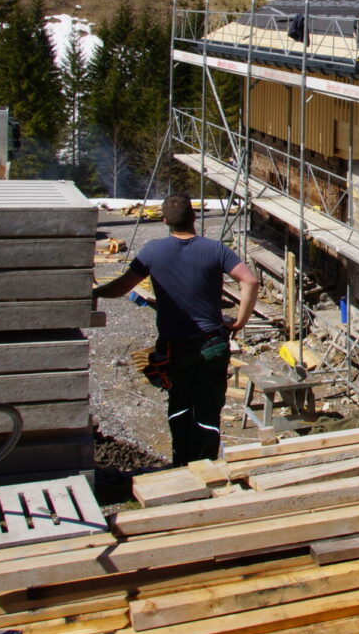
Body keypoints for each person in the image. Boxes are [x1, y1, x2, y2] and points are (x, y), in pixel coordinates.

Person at [92, 193, 258, 465]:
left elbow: (123, 286)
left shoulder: (152, 251)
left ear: (165, 220)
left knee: (180, 402)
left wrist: (95, 292)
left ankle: (181, 463)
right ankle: (207, 463)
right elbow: (250, 281)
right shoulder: (215, 250)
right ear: (195, 218)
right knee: (208, 406)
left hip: (174, 347)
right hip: (211, 344)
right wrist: (239, 321)